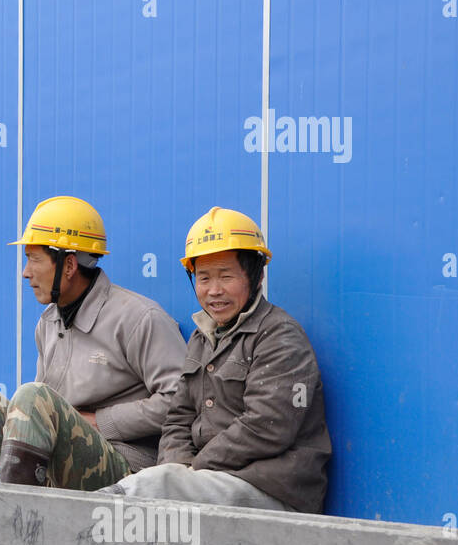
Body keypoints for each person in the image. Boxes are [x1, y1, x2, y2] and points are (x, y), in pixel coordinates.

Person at [0, 196, 187, 489]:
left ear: (69, 265)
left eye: (34, 259)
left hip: (125, 469)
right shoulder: (48, 322)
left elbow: (181, 402)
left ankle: (20, 519)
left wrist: (101, 422)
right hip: (57, 458)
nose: (26, 272)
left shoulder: (139, 318)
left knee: (33, 397)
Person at [97, 207, 331, 513]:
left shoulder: (280, 337)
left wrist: (191, 471)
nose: (214, 291)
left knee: (154, 486)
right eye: (203, 278)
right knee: (158, 482)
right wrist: (177, 465)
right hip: (210, 482)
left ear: (256, 275)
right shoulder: (201, 337)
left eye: (226, 276)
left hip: (272, 489)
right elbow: (178, 417)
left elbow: (266, 427)